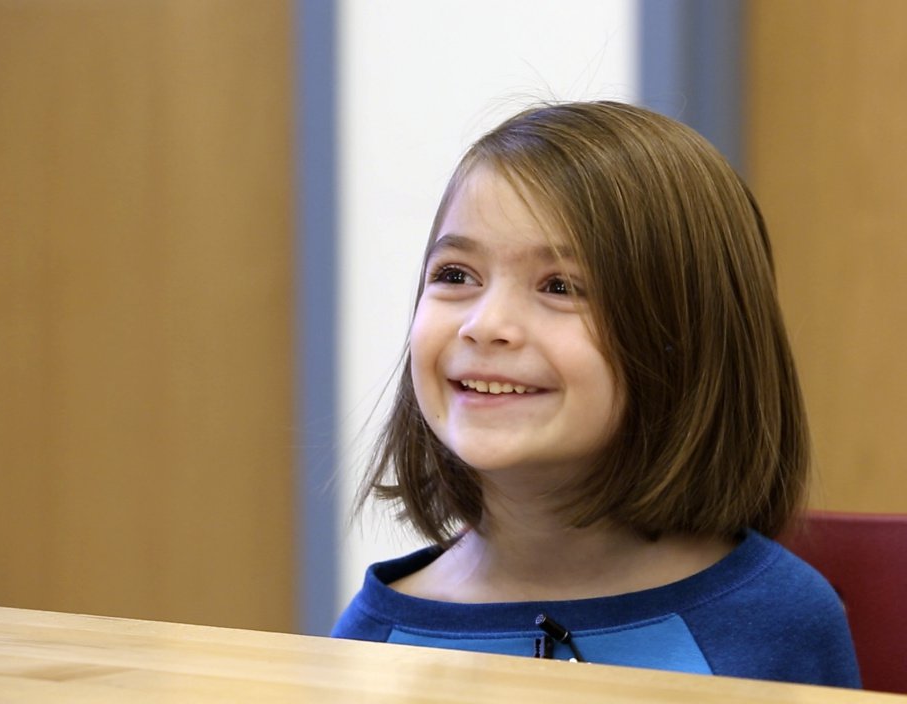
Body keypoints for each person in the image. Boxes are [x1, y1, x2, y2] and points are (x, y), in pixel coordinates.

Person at [331, 101, 860, 687]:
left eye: (560, 287)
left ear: (684, 341)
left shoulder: (780, 625)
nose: (484, 324)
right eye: (456, 275)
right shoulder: (369, 639)